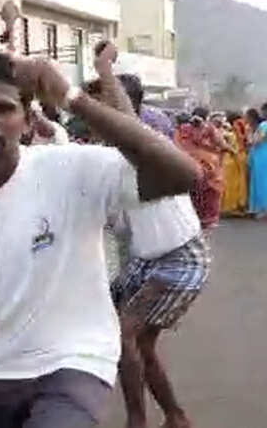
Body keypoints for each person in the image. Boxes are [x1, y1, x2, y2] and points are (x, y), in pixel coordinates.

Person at [0, 48, 199, 428]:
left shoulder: (72, 169)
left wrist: (71, 97)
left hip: (73, 360)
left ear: (27, 123)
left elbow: (182, 174)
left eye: (4, 109)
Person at [96, 68, 210, 428]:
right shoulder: (105, 156)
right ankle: (175, 416)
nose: (92, 114)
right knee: (139, 345)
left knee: (125, 335)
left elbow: (126, 121)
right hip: (146, 259)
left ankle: (137, 421)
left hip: (180, 257)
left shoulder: (148, 143)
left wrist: (104, 70)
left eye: (101, 105)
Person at [173, 108, 234, 229]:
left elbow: (176, 145)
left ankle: (191, 216)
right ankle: (207, 219)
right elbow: (220, 142)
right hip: (208, 165)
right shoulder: (208, 128)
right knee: (211, 192)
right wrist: (231, 150)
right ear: (206, 117)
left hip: (188, 163)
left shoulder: (182, 129)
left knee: (191, 192)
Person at [220, 112, 249, 215]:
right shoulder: (240, 128)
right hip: (238, 156)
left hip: (229, 158)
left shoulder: (227, 132)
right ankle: (236, 206)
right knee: (238, 182)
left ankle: (228, 206)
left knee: (230, 183)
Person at [248, 106, 267, 217]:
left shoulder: (263, 125)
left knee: (260, 181)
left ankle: (261, 208)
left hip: (261, 155)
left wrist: (250, 136)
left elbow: (257, 140)